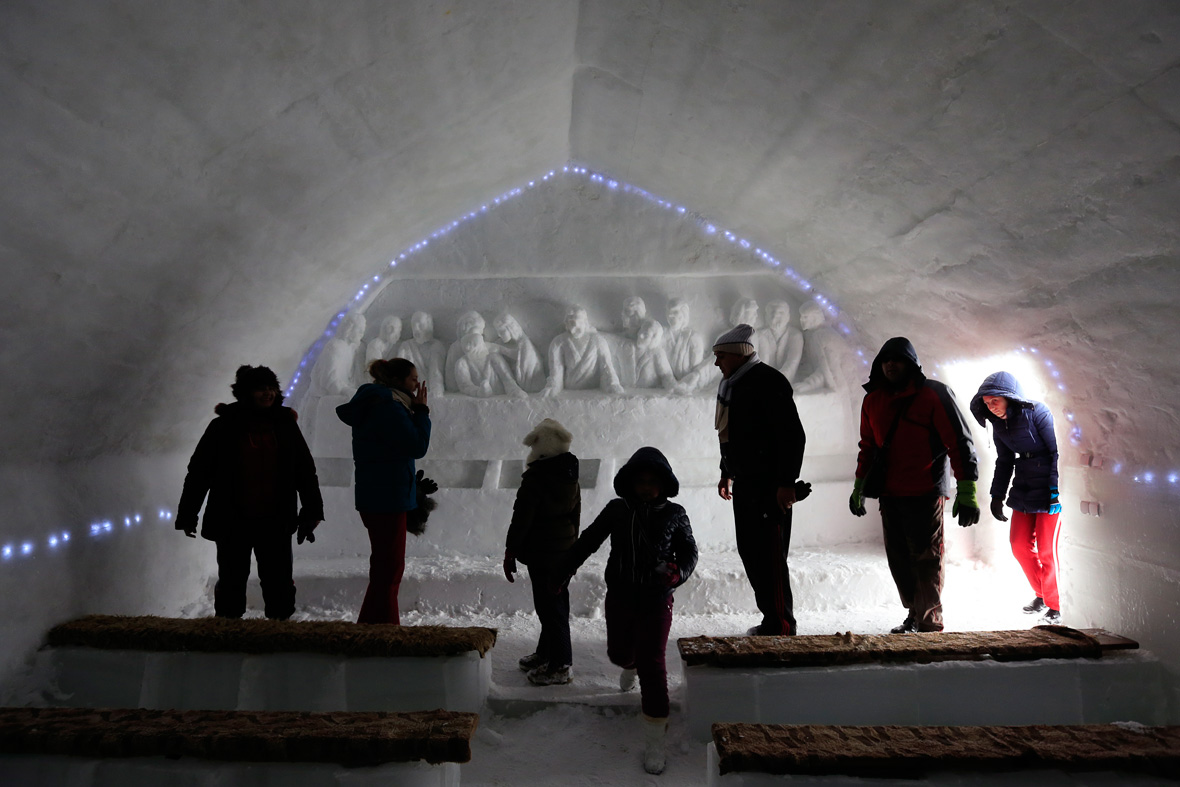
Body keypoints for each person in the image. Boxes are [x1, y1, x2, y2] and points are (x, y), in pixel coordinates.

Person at [562, 447, 697, 775]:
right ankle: (630, 664)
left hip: (656, 599)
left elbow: (689, 551)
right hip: (621, 596)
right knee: (619, 653)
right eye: (641, 481)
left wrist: (677, 572)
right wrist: (564, 568)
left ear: (664, 483)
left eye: (654, 481)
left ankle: (655, 740)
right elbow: (590, 539)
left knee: (654, 665)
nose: (647, 487)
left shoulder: (675, 513)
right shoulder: (617, 510)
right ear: (630, 483)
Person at [849, 337, 980, 633]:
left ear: (912, 364)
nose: (891, 364)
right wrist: (859, 486)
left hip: (925, 491)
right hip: (890, 493)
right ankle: (913, 612)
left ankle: (929, 620)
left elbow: (959, 442)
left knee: (927, 558)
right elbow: (868, 446)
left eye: (898, 359)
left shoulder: (933, 395)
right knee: (899, 558)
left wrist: (967, 488)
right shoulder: (873, 400)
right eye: (885, 360)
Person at [177, 365, 323, 620]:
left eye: (272, 388)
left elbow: (304, 471)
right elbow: (199, 474)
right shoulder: (222, 427)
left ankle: (279, 637)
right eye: (261, 389)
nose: (268, 393)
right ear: (246, 392)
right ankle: (229, 637)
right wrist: (188, 514)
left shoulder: (285, 425)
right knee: (232, 581)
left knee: (278, 582)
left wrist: (312, 511)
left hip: (275, 519)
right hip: (233, 519)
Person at [713, 324, 808, 636]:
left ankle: (781, 624)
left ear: (739, 354)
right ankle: (772, 618)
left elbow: (792, 436)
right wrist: (727, 470)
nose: (717, 364)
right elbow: (732, 436)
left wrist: (785, 483)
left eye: (721, 356)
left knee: (769, 556)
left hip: (769, 487)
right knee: (752, 552)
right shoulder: (734, 385)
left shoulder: (768, 382)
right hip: (747, 483)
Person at [335, 358, 431, 624]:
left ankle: (373, 624)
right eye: (413, 378)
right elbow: (416, 445)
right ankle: (384, 629)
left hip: (379, 493)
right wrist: (422, 412)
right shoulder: (388, 406)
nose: (416, 383)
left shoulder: (382, 403)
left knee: (384, 568)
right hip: (387, 497)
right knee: (389, 570)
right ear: (399, 381)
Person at [970, 372, 1063, 623]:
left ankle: (1054, 604)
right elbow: (1005, 460)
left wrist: (1054, 492)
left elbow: (1056, 452)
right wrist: (996, 495)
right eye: (987, 403)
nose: (991, 407)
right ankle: (1042, 594)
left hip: (1047, 488)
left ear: (1008, 398)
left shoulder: (1037, 412)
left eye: (995, 401)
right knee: (1019, 546)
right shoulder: (999, 425)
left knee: (1046, 550)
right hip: (1023, 487)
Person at [503, 419, 581, 685]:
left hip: (542, 554)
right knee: (557, 604)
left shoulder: (535, 479)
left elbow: (521, 519)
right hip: (564, 552)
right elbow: (575, 516)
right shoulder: (569, 475)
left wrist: (510, 551)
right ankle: (546, 653)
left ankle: (561, 664)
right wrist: (573, 550)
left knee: (549, 608)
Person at [541, 306, 624, 396]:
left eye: (580, 322)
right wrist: (553, 387)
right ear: (566, 324)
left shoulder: (598, 340)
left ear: (585, 322)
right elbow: (556, 370)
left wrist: (612, 384)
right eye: (572, 322)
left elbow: (606, 366)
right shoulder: (558, 342)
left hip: (593, 391)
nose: (576, 326)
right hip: (570, 390)